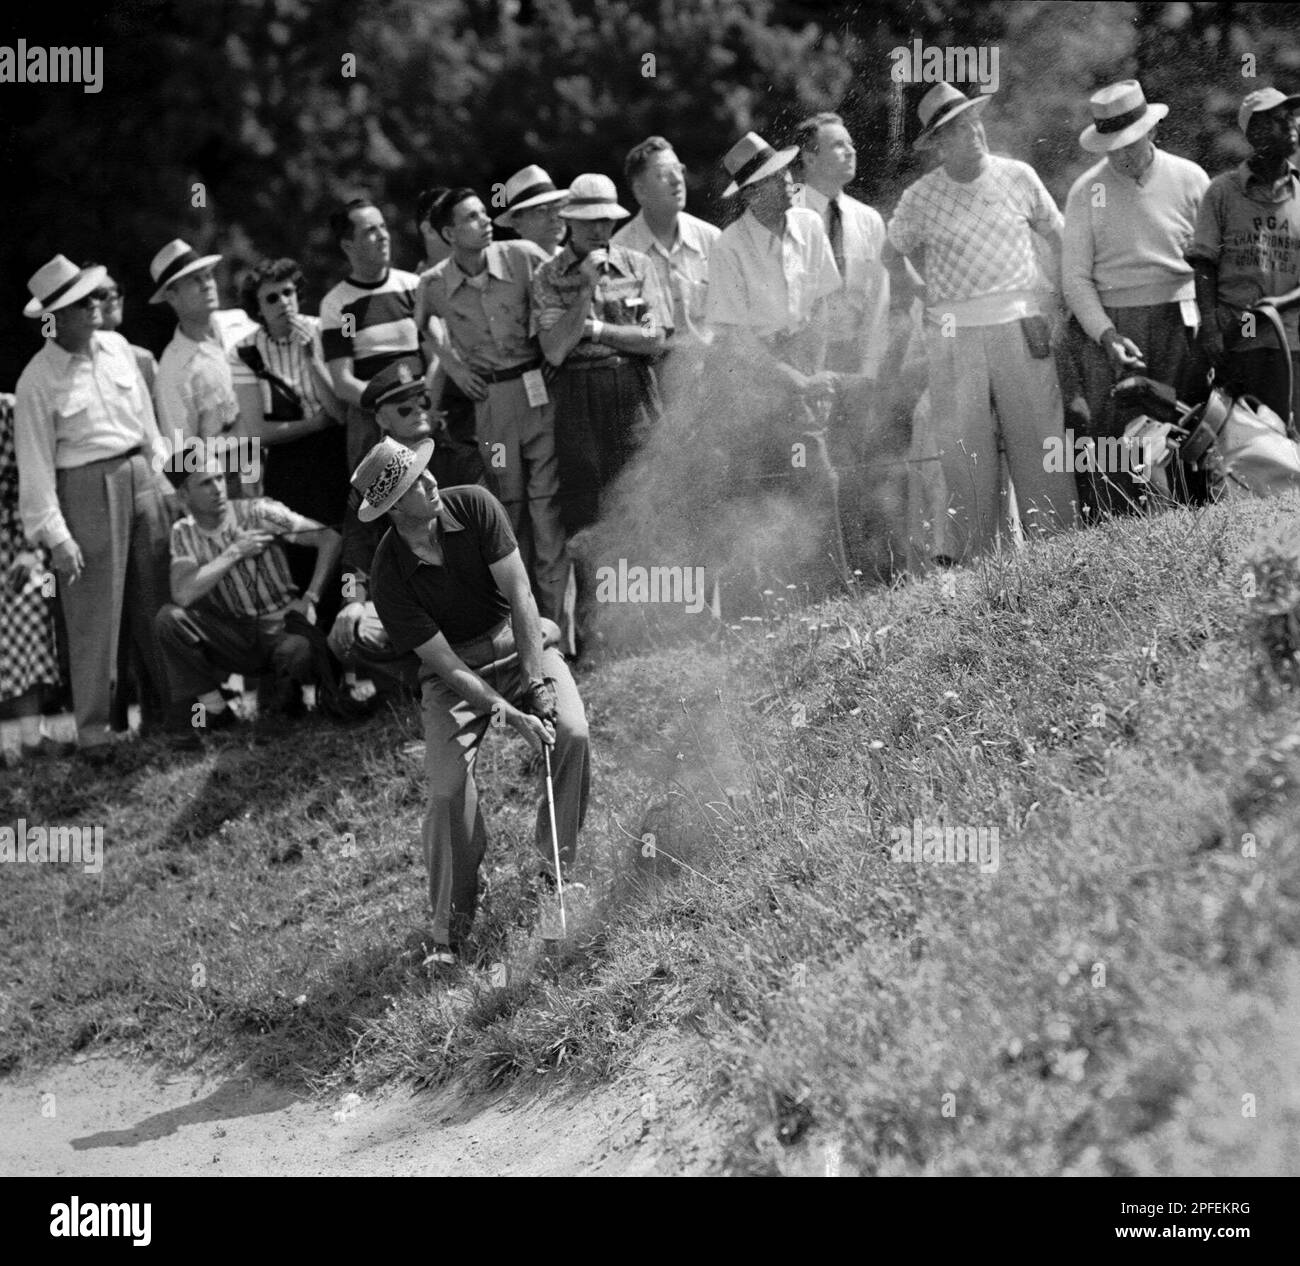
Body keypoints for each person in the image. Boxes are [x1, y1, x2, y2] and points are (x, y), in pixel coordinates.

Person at [360, 436, 590, 962]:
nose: (431, 480)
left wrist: (534, 684)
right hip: (452, 677)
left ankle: (556, 874)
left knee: (572, 731)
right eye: (415, 481)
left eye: (426, 470)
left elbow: (523, 598)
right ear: (394, 509)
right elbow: (446, 667)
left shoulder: (474, 504)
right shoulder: (388, 577)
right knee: (445, 793)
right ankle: (451, 930)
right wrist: (507, 714)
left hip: (516, 640)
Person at [885, 84, 1078, 562]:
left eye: (974, 123)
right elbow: (891, 256)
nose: (972, 134)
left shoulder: (1018, 176)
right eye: (957, 130)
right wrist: (925, 295)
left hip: (1020, 322)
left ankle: (1056, 553)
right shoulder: (920, 196)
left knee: (1039, 438)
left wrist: (1057, 299)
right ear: (938, 144)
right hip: (954, 335)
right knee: (964, 452)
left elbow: (1058, 235)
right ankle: (978, 565)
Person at [14, 255, 175, 759]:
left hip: (139, 476)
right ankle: (95, 732)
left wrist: (165, 481)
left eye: (93, 299)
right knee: (93, 615)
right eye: (82, 303)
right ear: (54, 317)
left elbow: (149, 428)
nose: (95, 308)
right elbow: (36, 467)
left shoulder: (119, 348)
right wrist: (57, 538)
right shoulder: (36, 380)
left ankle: (169, 716)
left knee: (156, 600)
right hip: (84, 487)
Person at [416, 187, 573, 652]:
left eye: (485, 213)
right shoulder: (433, 284)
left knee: (549, 509)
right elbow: (423, 324)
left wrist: (550, 348)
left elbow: (559, 292)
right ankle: (524, 635)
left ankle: (561, 637)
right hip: (490, 402)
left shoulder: (523, 256)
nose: (486, 221)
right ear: (448, 233)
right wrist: (454, 366)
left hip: (537, 391)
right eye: (471, 217)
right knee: (508, 511)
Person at [704, 132, 847, 599]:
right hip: (750, 377)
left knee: (819, 479)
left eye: (787, 171)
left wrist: (816, 375)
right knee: (758, 488)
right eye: (775, 177)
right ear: (750, 193)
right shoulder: (728, 247)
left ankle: (833, 589)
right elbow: (735, 338)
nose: (789, 180)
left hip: (804, 354)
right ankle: (763, 601)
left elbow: (825, 305)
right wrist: (795, 380)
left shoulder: (808, 225)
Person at [1062, 82, 1211, 513]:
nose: (1122, 155)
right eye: (1112, 147)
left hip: (1179, 318)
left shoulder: (1190, 178)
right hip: (1112, 324)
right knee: (1113, 439)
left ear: (1152, 132)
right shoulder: (1086, 191)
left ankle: (1194, 517)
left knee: (1184, 423)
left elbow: (1208, 265)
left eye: (1130, 143)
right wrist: (1106, 335)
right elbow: (1074, 279)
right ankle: (1119, 528)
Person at [154, 443, 341, 733]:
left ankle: (290, 704)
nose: (218, 488)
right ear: (183, 495)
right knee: (169, 619)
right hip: (234, 634)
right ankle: (214, 711)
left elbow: (328, 538)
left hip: (280, 625)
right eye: (206, 483)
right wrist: (235, 552)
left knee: (299, 648)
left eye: (219, 478)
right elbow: (182, 593)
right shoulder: (184, 532)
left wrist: (310, 598)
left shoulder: (258, 511)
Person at [534, 174, 671, 531]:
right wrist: (585, 290)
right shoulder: (548, 275)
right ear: (568, 220)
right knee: (585, 503)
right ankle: (592, 588)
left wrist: (593, 330)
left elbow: (654, 337)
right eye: (589, 220)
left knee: (641, 493)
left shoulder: (638, 265)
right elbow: (554, 350)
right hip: (577, 394)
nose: (599, 229)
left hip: (632, 387)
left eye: (606, 219)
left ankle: (640, 585)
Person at [791, 111, 892, 569]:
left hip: (854, 358)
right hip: (807, 361)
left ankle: (863, 562)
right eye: (837, 145)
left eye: (851, 143)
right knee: (812, 466)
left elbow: (879, 299)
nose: (850, 151)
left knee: (857, 460)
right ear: (808, 157)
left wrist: (869, 368)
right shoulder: (790, 217)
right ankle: (819, 568)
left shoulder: (868, 219)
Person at [1188, 86, 1300, 429]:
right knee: (1243, 442)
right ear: (1254, 133)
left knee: (1289, 438)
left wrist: (1276, 305)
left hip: (1291, 343)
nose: (1291, 126)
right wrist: (1210, 328)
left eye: (1292, 118)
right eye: (1278, 121)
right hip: (1237, 342)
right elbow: (1204, 262)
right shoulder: (1223, 192)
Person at [237, 259, 349, 590]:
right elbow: (259, 433)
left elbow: (340, 413)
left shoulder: (320, 330)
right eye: (271, 298)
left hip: (335, 453)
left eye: (288, 292)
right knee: (301, 552)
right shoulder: (243, 351)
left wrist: (312, 359)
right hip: (287, 462)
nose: (284, 302)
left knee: (345, 542)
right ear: (257, 308)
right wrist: (316, 423)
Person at [328, 359, 436, 698]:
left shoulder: (460, 456)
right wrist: (351, 601)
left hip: (457, 589)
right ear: (381, 419)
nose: (419, 410)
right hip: (403, 597)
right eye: (405, 407)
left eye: (423, 401)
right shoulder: (371, 476)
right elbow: (355, 548)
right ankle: (417, 685)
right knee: (348, 635)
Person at [319, 197, 422, 471]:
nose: (383, 236)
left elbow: (436, 355)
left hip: (423, 412)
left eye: (383, 226)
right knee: (383, 509)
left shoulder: (413, 287)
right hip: (373, 423)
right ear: (348, 245)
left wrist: (420, 405)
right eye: (370, 231)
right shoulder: (340, 304)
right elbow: (343, 382)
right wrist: (391, 410)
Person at [612, 136, 721, 391]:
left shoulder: (711, 239)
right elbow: (630, 329)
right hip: (654, 387)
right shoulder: (620, 253)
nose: (677, 180)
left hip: (712, 383)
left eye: (678, 170)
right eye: (664, 173)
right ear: (639, 190)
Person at [151, 238, 259, 477]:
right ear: (171, 296)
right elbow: (181, 455)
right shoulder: (173, 369)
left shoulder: (241, 322)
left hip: (285, 450)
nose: (207, 285)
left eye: (208, 276)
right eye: (194, 280)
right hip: (233, 471)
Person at [0, 393, 65, 764]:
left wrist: (30, 545)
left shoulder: (12, 409)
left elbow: (36, 475)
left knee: (32, 624)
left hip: (18, 539)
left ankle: (32, 740)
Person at [414, 186, 488, 490]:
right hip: (449, 410)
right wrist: (452, 364)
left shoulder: (486, 265)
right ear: (433, 230)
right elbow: (426, 332)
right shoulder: (424, 281)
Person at [89, 265, 158, 392]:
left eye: (117, 290)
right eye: (101, 294)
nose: (114, 295)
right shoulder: (69, 363)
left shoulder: (142, 359)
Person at [495, 165, 570, 258]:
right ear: (516, 223)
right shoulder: (504, 267)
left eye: (558, 208)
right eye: (541, 211)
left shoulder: (581, 264)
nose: (554, 217)